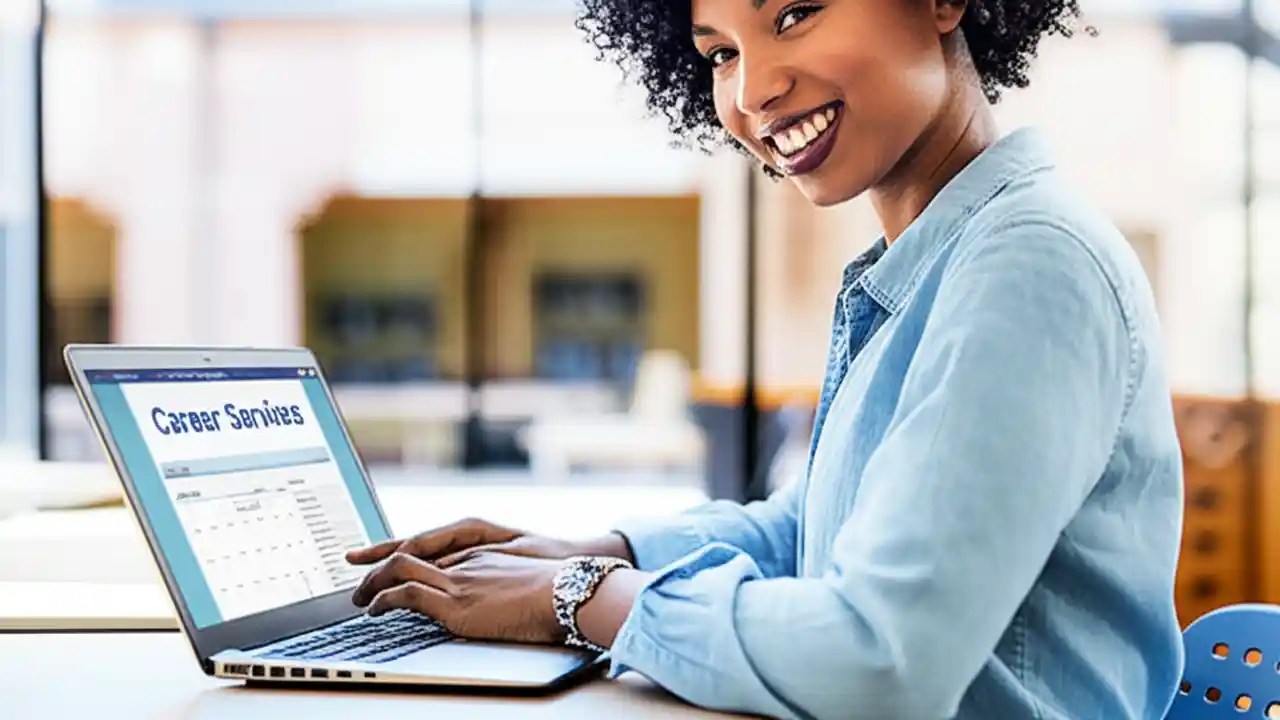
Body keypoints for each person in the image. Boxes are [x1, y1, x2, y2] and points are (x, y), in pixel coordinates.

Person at [346, 0, 1185, 717]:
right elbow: (813, 529)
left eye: (794, 14)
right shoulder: (942, 261)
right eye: (721, 53)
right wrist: (593, 553)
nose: (752, 93)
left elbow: (879, 659)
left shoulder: (1027, 265)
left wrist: (578, 599)